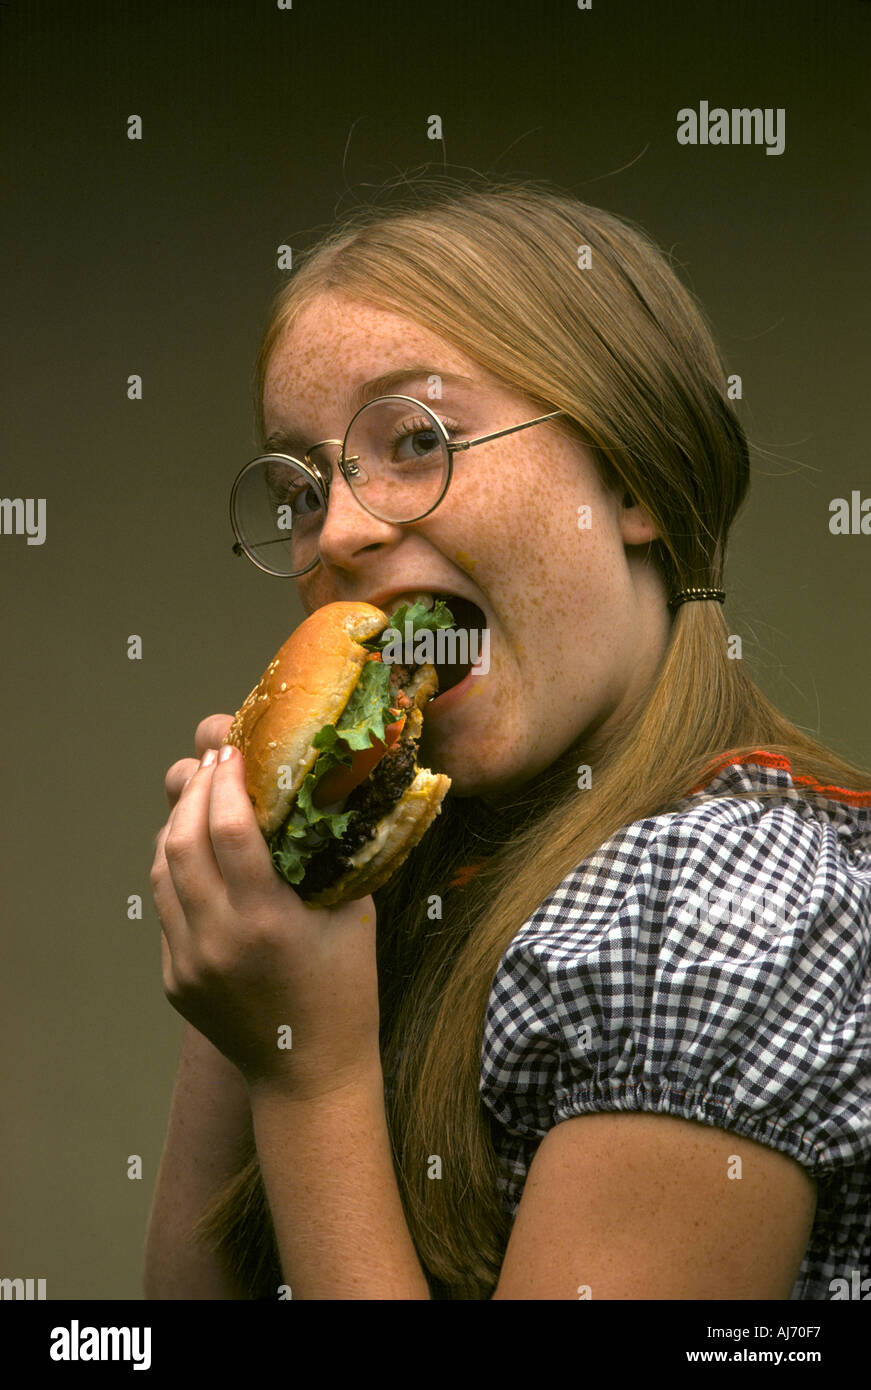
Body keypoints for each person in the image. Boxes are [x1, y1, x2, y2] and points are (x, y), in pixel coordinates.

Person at [143, 176, 871, 1301]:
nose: (336, 531)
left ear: (628, 472)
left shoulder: (713, 893)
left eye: (416, 438)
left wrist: (308, 1076)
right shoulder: (421, 869)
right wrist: (245, 934)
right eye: (301, 488)